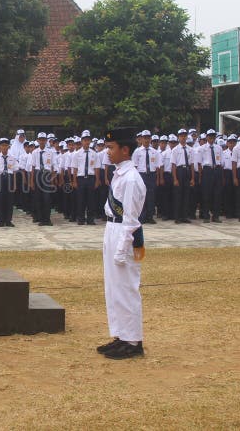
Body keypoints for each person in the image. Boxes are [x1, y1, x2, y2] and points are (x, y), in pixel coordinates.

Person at [97, 127, 146, 360]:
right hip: (112, 228)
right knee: (113, 288)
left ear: (125, 150)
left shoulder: (131, 179)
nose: (108, 152)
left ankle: (133, 341)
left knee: (127, 288)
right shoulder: (119, 174)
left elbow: (131, 219)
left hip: (125, 233)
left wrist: (121, 248)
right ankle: (120, 335)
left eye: (111, 147)